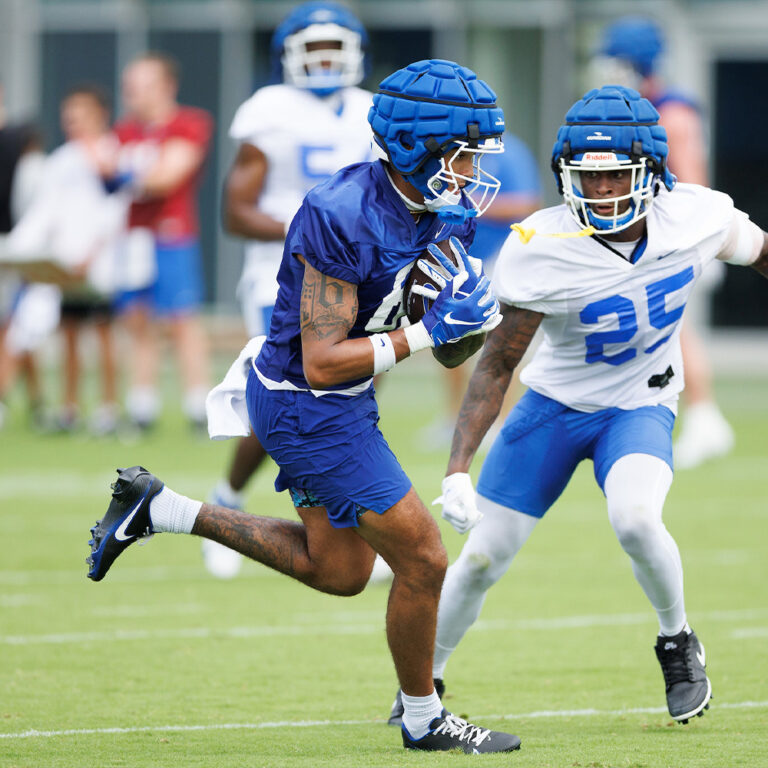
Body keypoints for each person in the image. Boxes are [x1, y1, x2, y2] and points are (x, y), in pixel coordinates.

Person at [87, 58, 524, 754]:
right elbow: (323, 363)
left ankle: (162, 508)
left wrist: (462, 325)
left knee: (341, 571)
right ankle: (422, 718)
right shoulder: (340, 213)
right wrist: (425, 331)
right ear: (417, 148)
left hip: (337, 401)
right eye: (464, 157)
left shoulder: (446, 215)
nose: (473, 174)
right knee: (425, 560)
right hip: (307, 404)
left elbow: (443, 353)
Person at [388, 84, 768, 727]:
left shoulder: (697, 217)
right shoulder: (543, 245)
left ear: (650, 170)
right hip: (553, 408)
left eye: (617, 176)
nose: (602, 194)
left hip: (639, 405)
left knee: (637, 520)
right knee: (480, 558)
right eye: (586, 180)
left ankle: (677, 642)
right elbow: (499, 362)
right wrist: (457, 467)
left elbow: (761, 251)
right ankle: (425, 688)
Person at [203, 1, 379, 579]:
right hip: (280, 277)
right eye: (314, 49)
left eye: (334, 48)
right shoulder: (269, 110)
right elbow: (235, 211)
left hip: (356, 281)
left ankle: (350, 524)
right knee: (282, 399)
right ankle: (228, 498)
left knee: (348, 398)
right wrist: (315, 233)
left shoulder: (373, 111)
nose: (325, 60)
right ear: (291, 56)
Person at [594, 17, 734, 469]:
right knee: (667, 330)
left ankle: (705, 416)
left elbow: (691, 178)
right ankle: (698, 416)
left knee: (677, 330)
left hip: (680, 234)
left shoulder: (673, 111)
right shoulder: (648, 105)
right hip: (658, 236)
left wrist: (702, 238)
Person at [6, 85, 127, 435]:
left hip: (100, 267)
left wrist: (93, 254)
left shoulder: (113, 155)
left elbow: (115, 209)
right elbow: (44, 214)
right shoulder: (60, 160)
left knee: (104, 334)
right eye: (68, 115)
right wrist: (21, 252)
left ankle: (108, 409)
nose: (72, 122)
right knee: (70, 334)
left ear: (99, 115)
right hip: (64, 265)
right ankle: (70, 409)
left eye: (80, 114)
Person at [420, 130, 541, 449]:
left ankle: (501, 419)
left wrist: (470, 205)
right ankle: (453, 417)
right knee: (446, 334)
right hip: (453, 253)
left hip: (499, 255)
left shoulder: (511, 151)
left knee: (503, 341)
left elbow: (528, 202)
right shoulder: (442, 149)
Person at [113, 52, 213, 431]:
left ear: (166, 86)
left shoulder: (188, 123)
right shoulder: (125, 131)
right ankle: (142, 406)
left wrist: (121, 173)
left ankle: (197, 405)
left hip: (172, 233)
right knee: (137, 321)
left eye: (142, 86)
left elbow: (167, 177)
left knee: (182, 320)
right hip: (133, 236)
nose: (134, 95)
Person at [0, 82, 49, 430]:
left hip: (16, 249)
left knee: (14, 325)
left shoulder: (21, 137)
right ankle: (38, 401)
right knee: (15, 328)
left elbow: (32, 200)